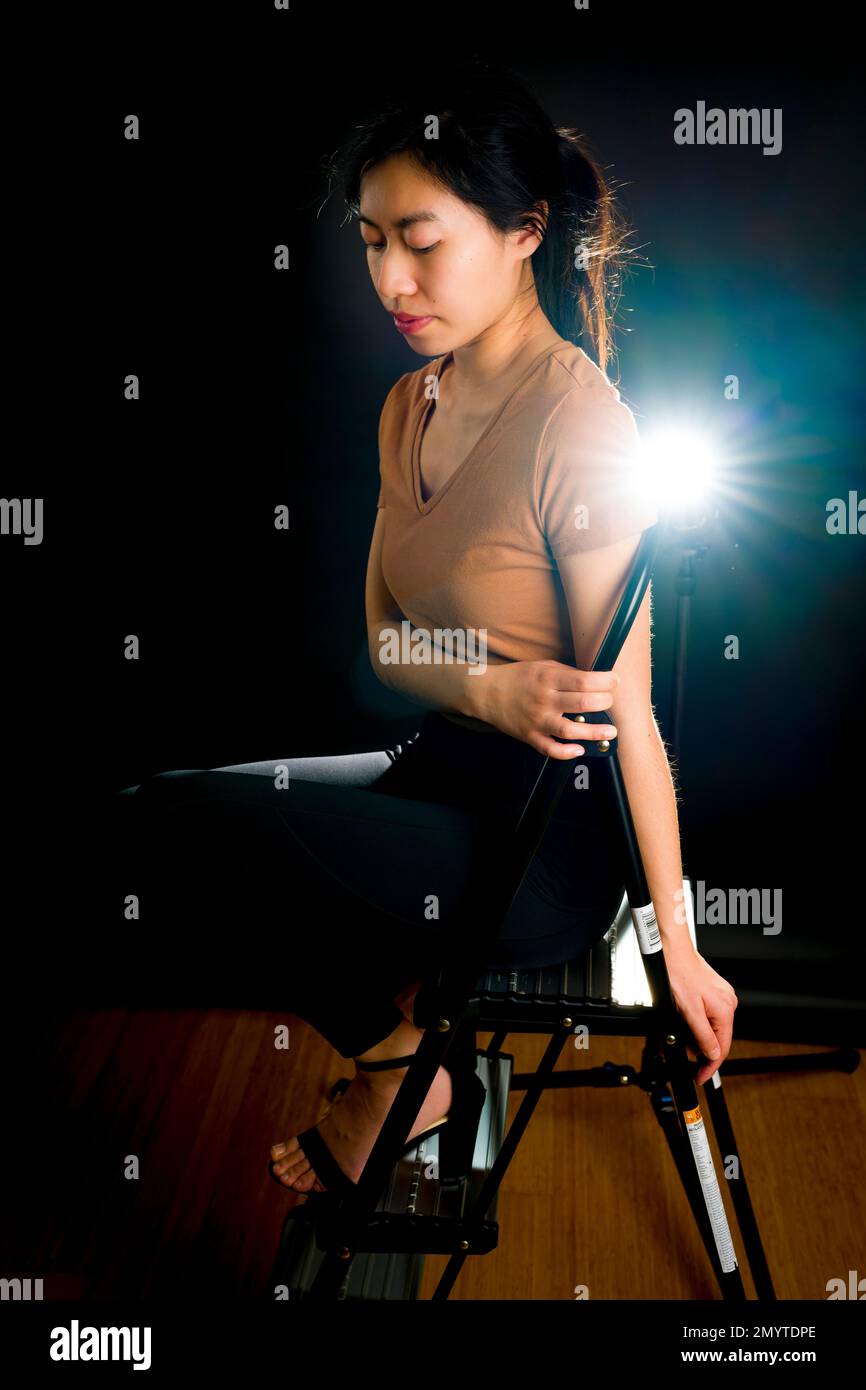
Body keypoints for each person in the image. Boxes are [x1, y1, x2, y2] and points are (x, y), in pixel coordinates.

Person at [118, 56, 738, 1197]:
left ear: (520, 231)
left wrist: (678, 946)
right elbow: (382, 640)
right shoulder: (412, 401)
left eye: (421, 238)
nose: (390, 278)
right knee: (159, 813)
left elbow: (630, 716)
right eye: (369, 241)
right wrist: (492, 688)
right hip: (441, 766)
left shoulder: (580, 427)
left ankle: (410, 1062)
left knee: (211, 829)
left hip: (542, 843)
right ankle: (409, 1053)